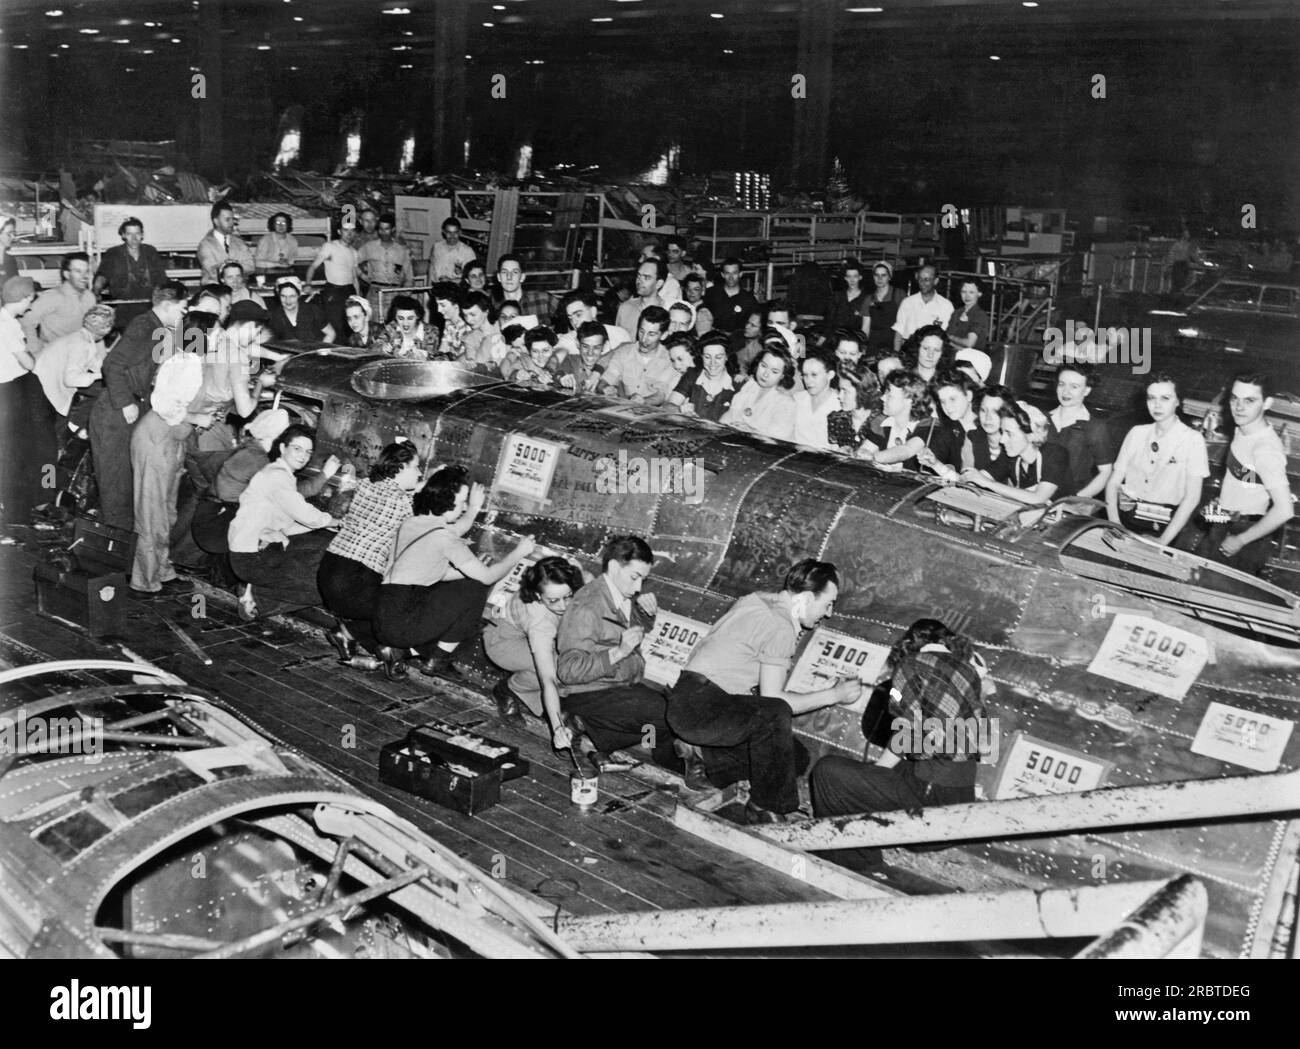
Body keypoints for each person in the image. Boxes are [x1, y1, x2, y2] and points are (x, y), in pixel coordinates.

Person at [669, 559, 860, 824]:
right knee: (774, 714)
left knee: (795, 757)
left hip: (691, 700)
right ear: (805, 598)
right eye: (827, 604)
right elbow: (775, 701)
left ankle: (702, 755)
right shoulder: (781, 626)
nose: (828, 613)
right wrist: (834, 695)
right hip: (702, 707)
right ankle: (766, 807)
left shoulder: (757, 600)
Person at [809, 619, 990, 861]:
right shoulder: (968, 672)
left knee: (827, 770)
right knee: (895, 769)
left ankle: (855, 860)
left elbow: (906, 728)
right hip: (958, 804)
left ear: (909, 643)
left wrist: (879, 770)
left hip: (928, 810)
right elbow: (985, 742)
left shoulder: (910, 665)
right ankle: (863, 856)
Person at [374, 466, 535, 679]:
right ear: (447, 503)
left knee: (464, 583)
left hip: (384, 615)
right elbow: (487, 576)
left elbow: (436, 570)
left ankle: (403, 651)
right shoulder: (444, 538)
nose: (463, 507)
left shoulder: (412, 523)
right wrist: (518, 553)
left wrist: (474, 508)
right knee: (477, 588)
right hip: (403, 623)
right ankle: (437, 659)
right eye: (461, 503)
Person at [555, 535, 680, 770]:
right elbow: (567, 670)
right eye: (635, 577)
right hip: (588, 692)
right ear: (613, 567)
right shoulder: (587, 606)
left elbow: (628, 632)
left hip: (620, 684)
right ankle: (585, 726)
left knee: (671, 708)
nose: (639, 587)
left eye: (643, 579)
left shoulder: (620, 594)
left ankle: (603, 738)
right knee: (663, 715)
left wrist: (645, 614)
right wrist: (618, 653)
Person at [89, 281, 189, 531]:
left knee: (125, 483)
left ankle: (123, 545)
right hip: (115, 412)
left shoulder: (156, 327)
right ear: (167, 305)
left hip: (131, 406)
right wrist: (125, 403)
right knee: (116, 485)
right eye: (182, 309)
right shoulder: (145, 326)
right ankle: (114, 547)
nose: (183, 314)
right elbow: (112, 364)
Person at [128, 313, 217, 597]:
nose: (219, 337)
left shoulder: (192, 361)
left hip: (170, 439)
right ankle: (144, 581)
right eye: (214, 331)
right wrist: (197, 417)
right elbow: (163, 403)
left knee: (166, 511)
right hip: (157, 437)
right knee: (151, 514)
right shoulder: (184, 363)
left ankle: (162, 571)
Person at [317, 441, 421, 678]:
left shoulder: (364, 485)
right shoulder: (403, 503)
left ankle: (360, 640)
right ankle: (353, 634)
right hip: (354, 582)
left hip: (328, 571)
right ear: (401, 467)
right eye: (416, 467)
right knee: (403, 603)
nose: (419, 472)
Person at [227, 424, 342, 620]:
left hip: (261, 548)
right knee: (324, 588)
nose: (303, 455)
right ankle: (257, 597)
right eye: (297, 448)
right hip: (250, 558)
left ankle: (256, 595)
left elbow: (288, 523)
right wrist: (336, 521)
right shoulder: (276, 476)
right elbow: (306, 514)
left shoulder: (282, 474)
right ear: (282, 448)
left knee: (322, 548)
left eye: (308, 451)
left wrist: (328, 526)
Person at [1183, 372, 1293, 576]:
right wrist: (1224, 501)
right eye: (1235, 398)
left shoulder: (1265, 448)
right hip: (1225, 521)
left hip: (1243, 535)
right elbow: (1251, 480)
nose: (1239, 407)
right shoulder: (1241, 430)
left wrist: (1240, 540)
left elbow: (1285, 510)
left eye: (1249, 400)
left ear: (1267, 403)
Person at [484, 556, 585, 748]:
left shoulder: (565, 576)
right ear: (538, 595)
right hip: (502, 641)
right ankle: (508, 690)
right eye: (553, 600)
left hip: (524, 632)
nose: (563, 606)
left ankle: (555, 707)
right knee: (557, 668)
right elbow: (548, 680)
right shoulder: (541, 623)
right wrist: (557, 728)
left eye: (568, 596)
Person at [1105, 374, 1209, 545]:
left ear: (1178, 401)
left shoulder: (1192, 439)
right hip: (1125, 518)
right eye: (1151, 398)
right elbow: (1113, 482)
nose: (1157, 405)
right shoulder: (1136, 433)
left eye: (1165, 398)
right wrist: (1114, 523)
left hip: (1164, 526)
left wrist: (1163, 541)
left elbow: (1192, 498)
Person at [962, 400, 1069, 505]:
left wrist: (987, 483)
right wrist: (951, 477)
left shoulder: (1056, 454)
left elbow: (1038, 498)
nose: (1002, 440)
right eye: (1002, 432)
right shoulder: (1010, 457)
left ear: (1031, 435)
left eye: (1009, 433)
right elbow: (976, 478)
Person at [0, 276, 45, 523]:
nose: (30, 306)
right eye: (29, 300)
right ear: (23, 298)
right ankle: (18, 516)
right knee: (20, 454)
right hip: (12, 392)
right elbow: (27, 362)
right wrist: (37, 359)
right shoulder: (8, 325)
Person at [1044, 363, 1114, 499]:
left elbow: (1106, 472)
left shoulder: (1094, 427)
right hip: (1038, 495)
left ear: (1087, 390)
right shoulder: (1043, 419)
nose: (1066, 391)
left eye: (1074, 387)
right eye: (1062, 384)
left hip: (1072, 502)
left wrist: (1075, 499)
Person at [856, 370, 942, 472]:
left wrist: (873, 458)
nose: (883, 398)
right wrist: (862, 454)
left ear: (909, 399)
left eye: (889, 395)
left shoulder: (929, 425)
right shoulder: (880, 421)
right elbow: (866, 449)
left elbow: (907, 450)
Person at [597, 306, 679, 405]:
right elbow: (606, 380)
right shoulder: (624, 352)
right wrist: (605, 388)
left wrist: (644, 401)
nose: (644, 339)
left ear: (664, 335)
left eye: (651, 334)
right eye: (641, 331)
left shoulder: (669, 360)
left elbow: (661, 395)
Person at [720, 343, 798, 441]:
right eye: (763, 366)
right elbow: (729, 416)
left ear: (782, 376)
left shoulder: (786, 403)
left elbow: (777, 440)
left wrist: (751, 432)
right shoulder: (749, 386)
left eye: (774, 371)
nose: (765, 374)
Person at [22, 252, 96, 349]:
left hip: (81, 353)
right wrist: (35, 350)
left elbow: (93, 330)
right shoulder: (53, 296)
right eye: (78, 271)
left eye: (87, 271)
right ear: (66, 274)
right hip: (54, 354)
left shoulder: (90, 297)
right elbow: (26, 322)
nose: (84, 276)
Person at [304, 223, 360, 337]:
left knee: (350, 328)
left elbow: (354, 277)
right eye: (345, 230)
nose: (349, 234)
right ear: (339, 231)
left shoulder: (354, 252)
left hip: (349, 291)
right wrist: (308, 283)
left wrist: (358, 297)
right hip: (334, 292)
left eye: (352, 230)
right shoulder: (330, 246)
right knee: (335, 327)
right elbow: (313, 266)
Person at [94, 217, 168, 302]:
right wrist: (95, 293)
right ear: (123, 235)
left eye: (137, 233)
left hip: (149, 304)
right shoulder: (113, 253)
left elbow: (162, 279)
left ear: (142, 235)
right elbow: (102, 277)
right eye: (129, 234)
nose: (134, 238)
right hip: (122, 305)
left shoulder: (150, 251)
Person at [669, 331, 738, 421]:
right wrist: (680, 410)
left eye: (718, 357)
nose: (712, 363)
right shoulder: (692, 375)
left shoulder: (738, 384)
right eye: (707, 357)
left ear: (727, 357)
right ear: (701, 356)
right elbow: (668, 406)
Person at [357, 212, 411, 314]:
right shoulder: (369, 247)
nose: (383, 232)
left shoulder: (401, 250)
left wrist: (403, 295)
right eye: (381, 229)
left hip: (394, 293)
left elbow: (409, 276)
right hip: (375, 294)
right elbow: (353, 261)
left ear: (393, 229)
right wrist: (363, 276)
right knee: (375, 326)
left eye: (387, 229)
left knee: (393, 325)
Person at [892, 264, 953, 351]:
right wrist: (896, 356)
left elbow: (946, 337)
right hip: (908, 350)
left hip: (932, 352)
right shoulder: (907, 302)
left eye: (926, 280)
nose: (922, 283)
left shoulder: (946, 306)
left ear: (936, 281)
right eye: (920, 279)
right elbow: (899, 333)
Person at [196, 201, 255, 285]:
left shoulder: (239, 243)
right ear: (216, 221)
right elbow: (213, 272)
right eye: (227, 219)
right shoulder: (205, 245)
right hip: (215, 291)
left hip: (239, 289)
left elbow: (251, 267)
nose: (232, 223)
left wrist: (227, 265)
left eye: (232, 219)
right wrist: (237, 266)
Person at [792, 353, 841, 450]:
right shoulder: (797, 399)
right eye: (805, 375)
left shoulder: (839, 405)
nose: (808, 380)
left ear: (830, 375)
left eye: (814, 375)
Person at [267, 276, 335, 343]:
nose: (288, 301)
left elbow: (331, 334)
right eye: (283, 296)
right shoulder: (274, 316)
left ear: (299, 295)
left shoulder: (313, 310)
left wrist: (319, 352)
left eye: (292, 296)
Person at [702, 257, 759, 335]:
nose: (731, 277)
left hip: (737, 342)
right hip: (713, 338)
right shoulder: (711, 294)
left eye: (734, 273)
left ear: (740, 274)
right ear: (722, 274)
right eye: (727, 273)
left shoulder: (749, 300)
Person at [374, 295, 441, 359]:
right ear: (395, 317)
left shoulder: (431, 331)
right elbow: (375, 347)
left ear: (418, 316)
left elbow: (435, 358)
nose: (405, 323)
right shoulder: (391, 328)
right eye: (400, 318)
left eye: (410, 318)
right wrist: (382, 348)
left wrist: (425, 356)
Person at [616, 258, 669, 336]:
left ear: (659, 283)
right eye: (639, 276)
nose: (639, 281)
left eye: (646, 277)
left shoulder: (667, 311)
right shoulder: (625, 307)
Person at [490, 253, 552, 320]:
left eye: (515, 272)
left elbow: (563, 310)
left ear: (522, 277)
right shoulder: (494, 308)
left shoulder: (542, 300)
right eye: (504, 272)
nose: (509, 277)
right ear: (499, 277)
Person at [861, 261, 902, 355]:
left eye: (883, 275)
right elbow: (865, 328)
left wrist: (896, 351)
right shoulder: (869, 298)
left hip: (893, 344)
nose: (879, 278)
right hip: (873, 345)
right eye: (876, 275)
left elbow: (903, 325)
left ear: (889, 277)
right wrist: (862, 345)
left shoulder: (899, 295)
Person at [945, 278, 989, 351]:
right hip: (954, 356)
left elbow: (969, 343)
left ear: (979, 294)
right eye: (964, 292)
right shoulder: (956, 313)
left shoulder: (980, 315)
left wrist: (952, 338)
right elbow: (946, 339)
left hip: (973, 359)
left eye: (971, 292)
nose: (967, 296)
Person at [430, 217, 477, 282]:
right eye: (449, 232)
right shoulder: (437, 247)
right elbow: (431, 270)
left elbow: (472, 277)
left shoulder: (467, 251)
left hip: (457, 288)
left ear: (460, 232)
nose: (452, 236)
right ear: (444, 232)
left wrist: (450, 280)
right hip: (437, 287)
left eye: (455, 233)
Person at [733, 309, 766, 374]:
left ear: (761, 331)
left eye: (753, 325)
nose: (746, 326)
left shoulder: (758, 349)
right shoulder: (737, 336)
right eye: (748, 323)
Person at [0, 218, 18, 285]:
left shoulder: (10, 258)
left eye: (13, 233)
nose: (13, 237)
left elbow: (15, 281)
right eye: (9, 233)